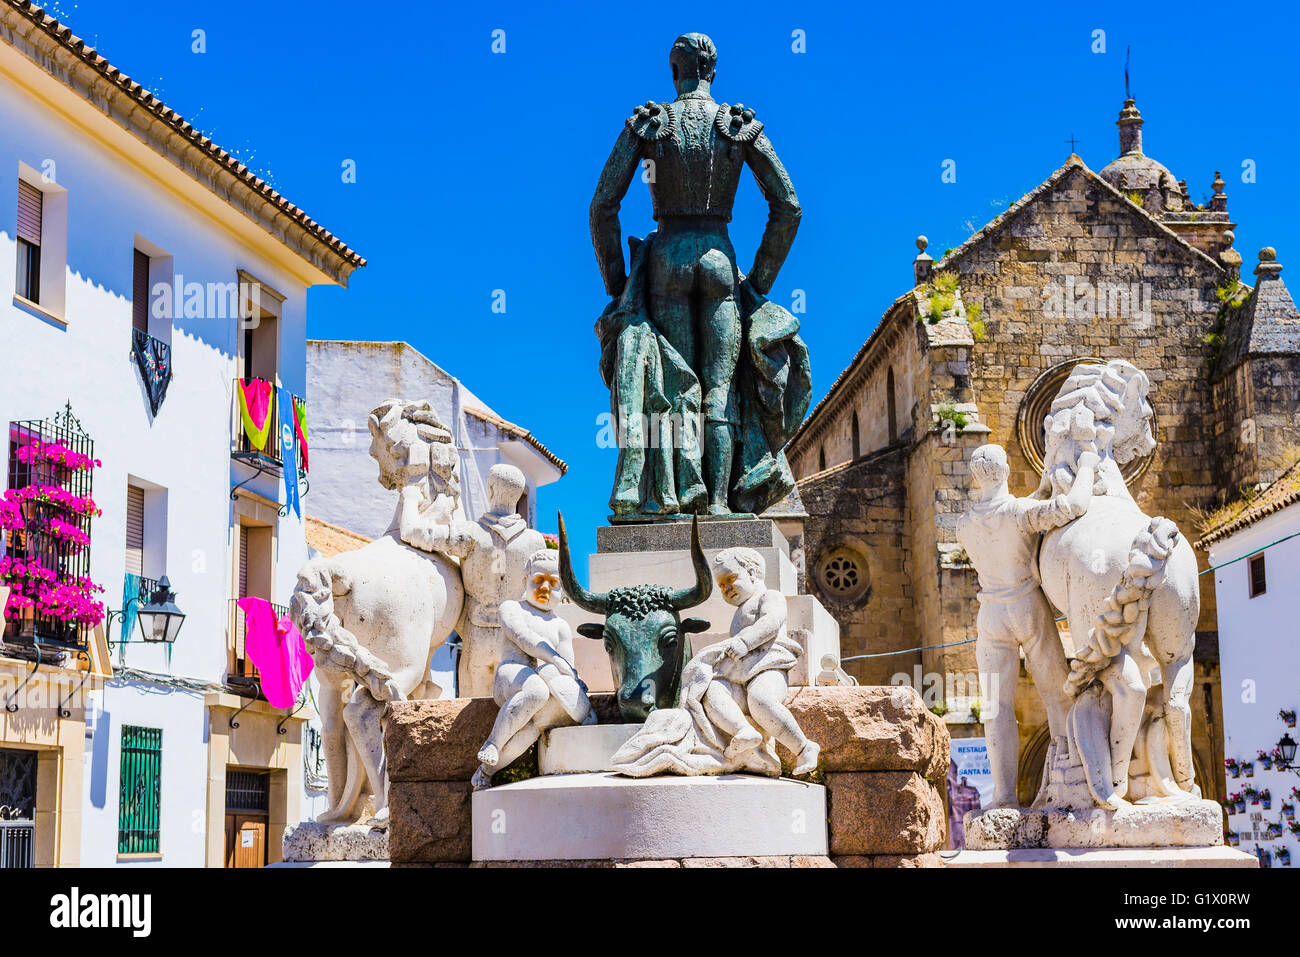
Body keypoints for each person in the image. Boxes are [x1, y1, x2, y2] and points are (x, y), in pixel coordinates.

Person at [956, 443, 1099, 807]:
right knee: (1055, 692)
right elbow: (1074, 506)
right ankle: (1074, 775)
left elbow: (1009, 514)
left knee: (996, 707)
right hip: (1025, 606)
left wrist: (1039, 490)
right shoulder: (1021, 513)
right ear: (1005, 471)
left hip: (990, 615)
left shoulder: (965, 524)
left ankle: (1003, 796)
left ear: (977, 477)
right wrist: (1087, 466)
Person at [399, 462, 544, 697]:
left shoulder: (470, 534)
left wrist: (410, 498)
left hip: (478, 637)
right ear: (518, 496)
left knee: (474, 711)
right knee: (516, 709)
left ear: (491, 491)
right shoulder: (535, 542)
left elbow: (411, 532)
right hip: (516, 639)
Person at [472, 549, 592, 790]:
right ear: (525, 581)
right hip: (512, 675)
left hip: (543, 686)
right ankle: (493, 743)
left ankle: (484, 772)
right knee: (536, 690)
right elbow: (523, 637)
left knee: (531, 730)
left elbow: (568, 666)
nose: (545, 588)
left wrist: (576, 687)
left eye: (553, 583)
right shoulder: (512, 608)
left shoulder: (560, 626)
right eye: (539, 580)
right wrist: (554, 659)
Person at [705, 546, 819, 775]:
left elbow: (772, 621)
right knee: (712, 691)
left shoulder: (769, 596)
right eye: (721, 586)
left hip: (768, 665)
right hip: (741, 673)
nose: (726, 588)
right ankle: (743, 731)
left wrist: (745, 642)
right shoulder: (738, 613)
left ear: (753, 572)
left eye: (730, 579)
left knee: (760, 699)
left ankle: (804, 747)